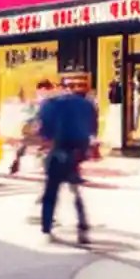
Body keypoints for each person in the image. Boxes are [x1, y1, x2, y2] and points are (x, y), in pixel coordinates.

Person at [36, 74, 95, 245]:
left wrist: (45, 141)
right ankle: (82, 227)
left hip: (58, 150)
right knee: (75, 191)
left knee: (51, 191)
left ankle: (47, 228)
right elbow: (92, 128)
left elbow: (44, 128)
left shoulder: (51, 104)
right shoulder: (87, 105)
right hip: (75, 152)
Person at [10, 79, 56, 176]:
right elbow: (26, 115)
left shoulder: (50, 102)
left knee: (47, 147)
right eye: (45, 90)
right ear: (40, 90)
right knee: (25, 146)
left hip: (44, 128)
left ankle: (47, 167)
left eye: (49, 90)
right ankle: (16, 163)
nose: (47, 92)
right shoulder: (35, 103)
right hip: (34, 128)